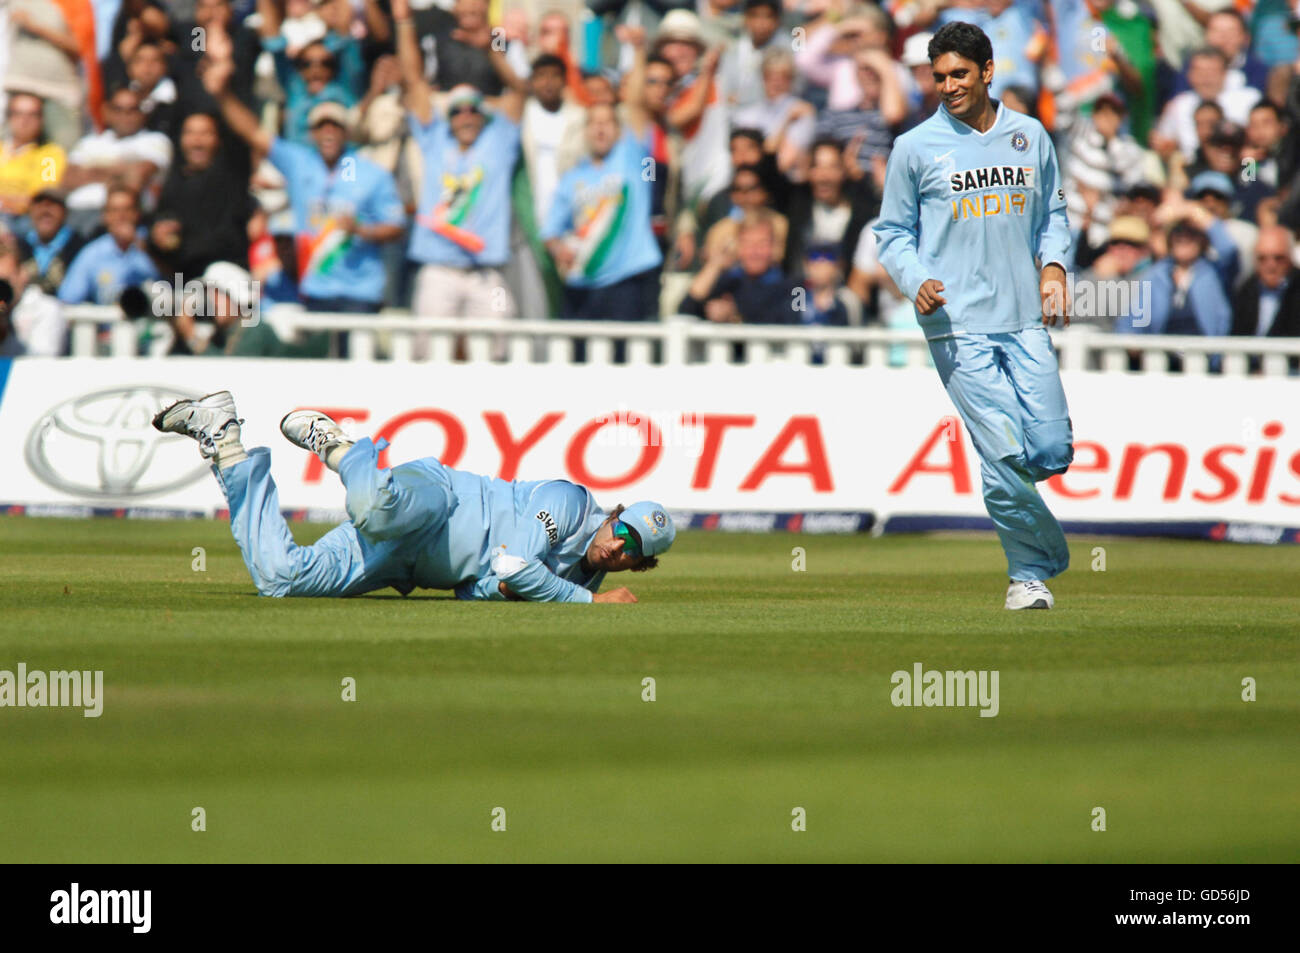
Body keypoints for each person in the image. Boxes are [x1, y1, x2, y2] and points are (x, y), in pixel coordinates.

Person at [873, 22, 1075, 610]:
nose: (948, 86)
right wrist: (916, 281)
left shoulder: (1030, 136)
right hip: (956, 325)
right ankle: (1028, 574)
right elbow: (890, 233)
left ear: (988, 71)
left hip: (1023, 319)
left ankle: (1031, 538)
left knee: (1051, 449)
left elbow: (1054, 215)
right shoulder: (914, 147)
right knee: (1004, 450)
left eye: (959, 74)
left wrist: (1055, 267)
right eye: (939, 77)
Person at [151, 391, 673, 603]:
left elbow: (483, 588)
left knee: (280, 581)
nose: (619, 548)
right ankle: (341, 449)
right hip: (441, 500)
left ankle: (224, 439)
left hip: (409, 564)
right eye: (624, 532)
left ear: (639, 566)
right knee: (372, 510)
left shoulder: (589, 574)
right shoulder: (571, 503)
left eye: (634, 553)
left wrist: (502, 589)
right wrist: (585, 603)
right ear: (617, 515)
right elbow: (515, 565)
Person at [205, 25, 405, 316]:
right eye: (320, 127)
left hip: (360, 292)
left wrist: (361, 229)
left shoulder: (365, 170)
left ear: (346, 132)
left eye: (335, 126)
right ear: (310, 133)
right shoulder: (301, 163)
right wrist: (222, 95)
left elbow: (396, 226)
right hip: (316, 289)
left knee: (357, 360)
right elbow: (254, 134)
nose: (328, 133)